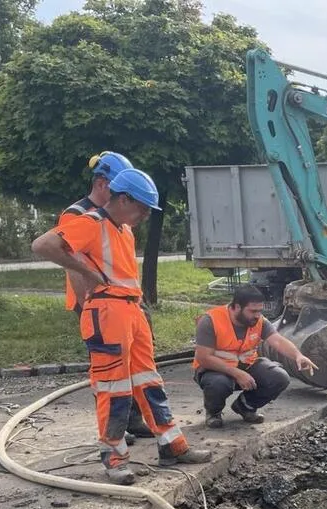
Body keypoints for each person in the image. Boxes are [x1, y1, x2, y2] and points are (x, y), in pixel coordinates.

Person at [31, 168, 211, 484]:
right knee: (113, 386)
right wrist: (86, 272)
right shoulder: (90, 223)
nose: (144, 215)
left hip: (131, 309)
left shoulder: (124, 230)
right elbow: (43, 245)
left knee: (147, 379)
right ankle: (114, 458)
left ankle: (172, 444)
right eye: (142, 207)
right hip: (108, 312)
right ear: (123, 198)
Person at [59, 150, 152, 443]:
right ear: (103, 184)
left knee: (134, 364)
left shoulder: (117, 219)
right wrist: (89, 300)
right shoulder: (78, 215)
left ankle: (132, 420)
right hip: (99, 303)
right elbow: (69, 258)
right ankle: (115, 429)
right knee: (109, 367)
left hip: (123, 302)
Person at [192, 285, 317, 428]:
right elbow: (204, 358)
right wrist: (237, 373)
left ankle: (245, 407)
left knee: (279, 377)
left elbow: (277, 340)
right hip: (214, 371)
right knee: (219, 384)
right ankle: (213, 412)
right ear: (237, 307)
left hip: (247, 366)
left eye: (259, 310)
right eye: (253, 311)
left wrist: (298, 356)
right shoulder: (211, 321)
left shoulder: (259, 321)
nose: (257, 315)